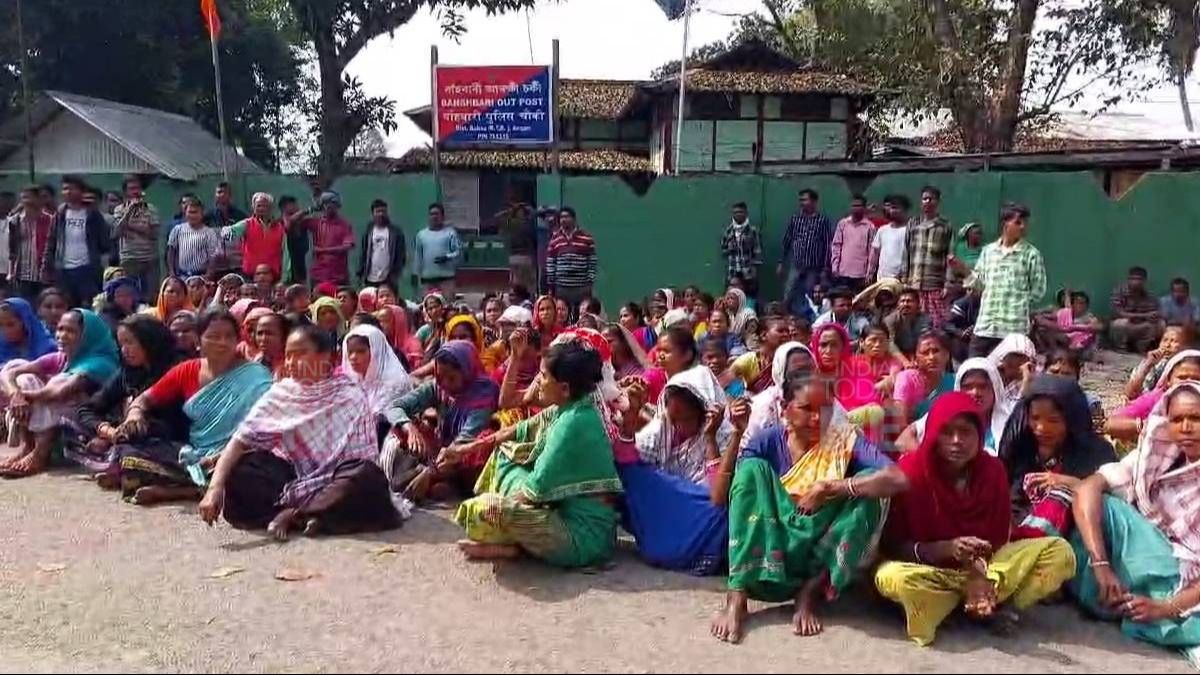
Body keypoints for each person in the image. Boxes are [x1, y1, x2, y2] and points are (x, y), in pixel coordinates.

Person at [709, 374, 907, 642]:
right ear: (784, 409)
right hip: (773, 545)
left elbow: (898, 479)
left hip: (816, 545)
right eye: (807, 409)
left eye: (824, 410)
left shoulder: (843, 440)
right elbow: (720, 498)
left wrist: (831, 488)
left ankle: (809, 593)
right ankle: (737, 595)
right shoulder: (767, 441)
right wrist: (737, 433)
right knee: (750, 470)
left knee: (871, 486)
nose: (817, 418)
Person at [875, 392, 1076, 646]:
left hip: (986, 568)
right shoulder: (912, 470)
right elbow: (892, 545)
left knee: (1059, 552)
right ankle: (973, 604)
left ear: (979, 435)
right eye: (947, 432)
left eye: (966, 433)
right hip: (928, 569)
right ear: (934, 432)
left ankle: (980, 599)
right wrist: (944, 549)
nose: (957, 441)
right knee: (892, 577)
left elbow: (998, 538)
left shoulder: (992, 470)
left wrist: (978, 575)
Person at [199, 324, 403, 538]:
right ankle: (316, 516)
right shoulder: (281, 393)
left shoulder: (350, 394)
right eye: (288, 355)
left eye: (300, 354)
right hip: (292, 478)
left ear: (326, 357)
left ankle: (295, 514)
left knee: (367, 477)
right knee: (242, 470)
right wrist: (214, 489)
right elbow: (240, 440)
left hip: (338, 479)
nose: (291, 362)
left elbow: (363, 458)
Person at [451, 338, 621, 565]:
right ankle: (515, 543)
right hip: (561, 510)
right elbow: (518, 429)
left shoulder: (573, 422)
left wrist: (495, 510)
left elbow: (534, 489)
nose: (538, 382)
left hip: (583, 536)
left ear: (564, 388)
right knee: (504, 455)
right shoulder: (569, 407)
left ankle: (513, 547)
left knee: (489, 508)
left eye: (543, 376)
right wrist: (465, 449)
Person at [1071, 382, 1200, 661]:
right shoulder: (1158, 458)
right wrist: (1101, 564)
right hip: (1158, 564)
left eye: (1196, 418)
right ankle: (1121, 599)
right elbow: (1086, 488)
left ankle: (1158, 615)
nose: (1187, 427)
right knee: (1098, 507)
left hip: (1187, 586)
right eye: (1177, 419)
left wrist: (1167, 607)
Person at [115, 309, 272, 504]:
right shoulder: (188, 369)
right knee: (132, 441)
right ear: (198, 341)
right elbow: (145, 399)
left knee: (251, 469)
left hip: (238, 452)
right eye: (213, 336)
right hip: (194, 453)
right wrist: (135, 415)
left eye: (229, 336)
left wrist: (218, 458)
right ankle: (191, 482)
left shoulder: (257, 376)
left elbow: (264, 429)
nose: (222, 342)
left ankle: (182, 489)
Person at [613, 364, 733, 575]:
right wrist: (631, 419)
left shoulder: (726, 435)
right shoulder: (662, 428)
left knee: (721, 513)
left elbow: (718, 495)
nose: (678, 427)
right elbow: (630, 464)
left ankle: (694, 552)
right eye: (673, 418)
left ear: (705, 412)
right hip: (671, 508)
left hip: (704, 513)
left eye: (685, 419)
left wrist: (709, 438)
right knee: (632, 475)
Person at [63, 316, 186, 483]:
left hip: (168, 439)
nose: (124, 350)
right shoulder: (128, 373)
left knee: (130, 451)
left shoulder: (176, 369)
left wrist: (126, 433)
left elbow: (173, 424)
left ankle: (130, 471)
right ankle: (122, 468)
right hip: (125, 435)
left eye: (130, 343)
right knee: (71, 428)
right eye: (121, 344)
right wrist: (107, 431)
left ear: (149, 340)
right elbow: (88, 408)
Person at [0, 309, 120, 477]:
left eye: (70, 331)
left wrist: (23, 397)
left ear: (87, 335)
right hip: (61, 419)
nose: (61, 335)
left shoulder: (100, 362)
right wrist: (15, 394)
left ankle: (41, 453)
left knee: (57, 383)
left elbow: (58, 391)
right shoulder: (62, 357)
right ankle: (28, 446)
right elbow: (9, 373)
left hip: (93, 424)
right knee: (16, 367)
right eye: (60, 329)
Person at [997, 374, 1116, 540]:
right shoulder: (1020, 449)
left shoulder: (1096, 453)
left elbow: (1113, 504)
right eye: (1034, 418)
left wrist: (1069, 483)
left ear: (1072, 419)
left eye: (1053, 420)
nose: (1041, 428)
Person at [381, 341, 499, 501]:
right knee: (404, 427)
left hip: (466, 455)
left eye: (452, 378)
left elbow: (465, 440)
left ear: (467, 372)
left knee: (482, 445)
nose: (445, 383)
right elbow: (395, 408)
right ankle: (431, 480)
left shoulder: (484, 393)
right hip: (442, 453)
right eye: (440, 376)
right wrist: (409, 428)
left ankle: (447, 483)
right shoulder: (437, 387)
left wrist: (430, 472)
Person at [957, 203, 1046, 358]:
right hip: (986, 326)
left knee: (1010, 377)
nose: (1023, 227)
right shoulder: (988, 252)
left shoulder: (1031, 254)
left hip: (1014, 329)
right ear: (1005, 223)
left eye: (1025, 222)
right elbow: (979, 285)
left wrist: (1018, 303)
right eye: (1018, 222)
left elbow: (1038, 290)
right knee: (975, 370)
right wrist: (963, 270)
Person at [895, 357, 1014, 457]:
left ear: (995, 389)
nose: (975, 393)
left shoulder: (1011, 421)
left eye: (983, 387)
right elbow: (903, 440)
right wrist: (928, 463)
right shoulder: (944, 413)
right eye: (967, 387)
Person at [1105, 349, 1200, 445]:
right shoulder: (1156, 399)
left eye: (1197, 379)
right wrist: (1148, 426)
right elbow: (1111, 425)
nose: (1188, 382)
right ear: (1168, 380)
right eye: (1182, 377)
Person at [41, 175, 109, 307]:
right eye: (65, 189)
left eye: (72, 189)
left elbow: (104, 242)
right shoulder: (60, 213)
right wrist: (46, 266)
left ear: (81, 191)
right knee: (67, 305)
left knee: (90, 305)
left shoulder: (92, 214)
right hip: (64, 270)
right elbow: (51, 241)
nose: (68, 192)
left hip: (87, 269)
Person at [899, 186, 953, 328]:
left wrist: (947, 283)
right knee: (913, 323)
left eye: (931, 198)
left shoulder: (945, 225)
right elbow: (906, 252)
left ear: (938, 201)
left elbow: (950, 256)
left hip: (935, 284)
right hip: (914, 283)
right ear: (921, 202)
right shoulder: (913, 223)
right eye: (924, 199)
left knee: (936, 325)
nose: (927, 201)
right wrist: (904, 278)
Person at [810, 323, 882, 420]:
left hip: (857, 429)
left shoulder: (858, 369)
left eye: (834, 345)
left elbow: (875, 410)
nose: (828, 351)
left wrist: (844, 421)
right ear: (816, 347)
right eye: (823, 345)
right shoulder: (809, 374)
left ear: (843, 347)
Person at [780, 189, 833, 318]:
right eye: (800, 200)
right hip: (796, 264)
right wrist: (781, 262)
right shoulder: (795, 219)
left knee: (810, 296)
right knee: (788, 294)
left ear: (814, 202)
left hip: (814, 267)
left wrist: (825, 269)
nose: (802, 203)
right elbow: (787, 240)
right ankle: (786, 320)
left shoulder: (822, 221)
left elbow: (827, 244)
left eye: (805, 200)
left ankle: (809, 321)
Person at [111, 175, 159, 301]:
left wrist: (130, 227)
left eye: (137, 188)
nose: (135, 192)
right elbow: (117, 232)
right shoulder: (119, 209)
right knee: (131, 295)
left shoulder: (151, 209)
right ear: (126, 192)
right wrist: (130, 210)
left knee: (151, 296)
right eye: (132, 189)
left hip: (149, 259)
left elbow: (153, 234)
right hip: (129, 259)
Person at [223, 192, 290, 284]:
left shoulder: (280, 228)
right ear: (253, 207)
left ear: (271, 208)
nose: (261, 209)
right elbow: (231, 231)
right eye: (258, 206)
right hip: (250, 277)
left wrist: (284, 279)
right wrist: (226, 231)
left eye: (265, 206)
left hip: (273, 278)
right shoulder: (246, 224)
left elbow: (286, 255)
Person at [892, 329, 956, 424]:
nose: (931, 357)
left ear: (947, 355)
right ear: (915, 358)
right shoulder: (907, 379)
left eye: (936, 351)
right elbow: (900, 423)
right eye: (925, 353)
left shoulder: (954, 381)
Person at [544, 207, 596, 314]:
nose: (563, 220)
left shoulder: (586, 238)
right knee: (562, 316)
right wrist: (551, 284)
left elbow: (592, 261)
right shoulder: (555, 239)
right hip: (561, 287)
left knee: (582, 314)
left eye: (566, 216)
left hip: (581, 287)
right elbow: (551, 262)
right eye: (561, 217)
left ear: (574, 219)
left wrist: (589, 281)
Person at [725, 316, 790, 396]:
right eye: (780, 331)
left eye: (787, 332)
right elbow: (725, 387)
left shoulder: (790, 360)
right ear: (763, 335)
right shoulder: (747, 361)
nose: (786, 335)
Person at [8, 185, 53, 300]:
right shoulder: (15, 221)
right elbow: (12, 248)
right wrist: (11, 271)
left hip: (44, 273)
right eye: (23, 198)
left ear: (38, 199)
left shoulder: (50, 220)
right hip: (23, 274)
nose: (26, 201)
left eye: (29, 197)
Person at [300, 191, 354, 287]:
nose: (329, 206)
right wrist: (310, 209)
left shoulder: (344, 225)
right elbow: (291, 223)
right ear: (322, 206)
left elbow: (347, 246)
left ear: (337, 206)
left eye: (332, 203)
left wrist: (323, 250)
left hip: (339, 276)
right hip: (318, 275)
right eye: (326, 203)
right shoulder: (316, 222)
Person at [1125, 323, 1189, 402]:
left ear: (1185, 346)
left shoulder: (1190, 367)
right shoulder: (1155, 363)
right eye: (1164, 340)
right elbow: (1131, 394)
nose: (1167, 345)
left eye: (1173, 341)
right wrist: (1147, 366)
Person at [1035, 290, 1102, 359]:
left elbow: (1067, 329)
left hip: (1081, 350)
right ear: (1072, 305)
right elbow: (1050, 317)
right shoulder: (1065, 312)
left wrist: (1047, 323)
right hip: (1065, 344)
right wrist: (1039, 317)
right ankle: (1053, 351)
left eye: (1083, 303)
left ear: (1087, 306)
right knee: (1043, 329)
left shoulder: (1090, 319)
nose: (1080, 306)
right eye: (1078, 303)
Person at [1111, 266, 1164, 353]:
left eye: (1139, 279)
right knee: (1120, 323)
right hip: (1127, 326)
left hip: (1142, 325)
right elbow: (1118, 313)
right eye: (1132, 279)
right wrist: (1144, 315)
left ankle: (1142, 348)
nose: (1135, 282)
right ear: (1128, 279)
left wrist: (1154, 316)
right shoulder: (1119, 292)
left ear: (1144, 281)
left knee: (1161, 324)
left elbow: (1154, 312)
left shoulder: (1149, 295)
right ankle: (1121, 348)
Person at [829, 194, 876, 293]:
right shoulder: (843, 224)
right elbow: (836, 245)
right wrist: (835, 267)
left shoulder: (870, 227)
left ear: (864, 208)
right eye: (853, 206)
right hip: (842, 272)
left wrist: (869, 273)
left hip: (860, 274)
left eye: (859, 206)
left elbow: (872, 251)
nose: (856, 208)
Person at [413, 202, 461, 297]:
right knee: (428, 306)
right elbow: (418, 257)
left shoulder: (450, 233)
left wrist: (447, 257)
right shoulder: (421, 235)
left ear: (442, 216)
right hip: (427, 280)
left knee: (447, 306)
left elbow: (458, 252)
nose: (434, 217)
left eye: (437, 214)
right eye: (432, 214)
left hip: (446, 279)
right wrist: (415, 274)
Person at [358, 199, 407, 289]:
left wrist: (396, 273)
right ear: (373, 213)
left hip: (389, 277)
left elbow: (401, 255)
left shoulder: (396, 232)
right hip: (370, 277)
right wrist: (361, 272)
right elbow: (363, 253)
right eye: (378, 211)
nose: (381, 214)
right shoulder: (368, 232)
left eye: (383, 211)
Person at [205, 182, 248, 277]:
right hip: (215, 267)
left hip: (237, 266)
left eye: (224, 192)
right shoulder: (208, 217)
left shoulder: (240, 215)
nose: (221, 195)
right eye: (218, 192)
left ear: (230, 195)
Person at [720, 201, 763, 291]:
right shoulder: (728, 231)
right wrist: (729, 249)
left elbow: (757, 251)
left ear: (746, 213)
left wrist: (754, 269)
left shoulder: (752, 231)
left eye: (740, 212)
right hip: (733, 271)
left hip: (748, 272)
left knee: (750, 297)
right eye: (735, 212)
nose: (738, 214)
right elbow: (723, 250)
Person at [867, 194, 909, 283]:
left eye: (897, 208)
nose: (894, 211)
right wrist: (870, 272)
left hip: (901, 279)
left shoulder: (909, 230)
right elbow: (874, 253)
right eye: (892, 208)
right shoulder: (882, 230)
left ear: (905, 210)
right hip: (882, 278)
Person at [987, 333, 1038, 407]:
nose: (1022, 363)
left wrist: (1026, 382)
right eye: (1016, 356)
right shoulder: (987, 379)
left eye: (1025, 358)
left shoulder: (1026, 383)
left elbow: (1017, 412)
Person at [884, 288, 931, 359]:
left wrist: (916, 357)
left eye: (909, 301)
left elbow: (926, 340)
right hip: (897, 355)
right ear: (898, 304)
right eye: (902, 301)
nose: (905, 304)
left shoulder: (925, 319)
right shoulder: (890, 320)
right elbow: (890, 343)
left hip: (919, 354)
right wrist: (905, 361)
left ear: (918, 303)